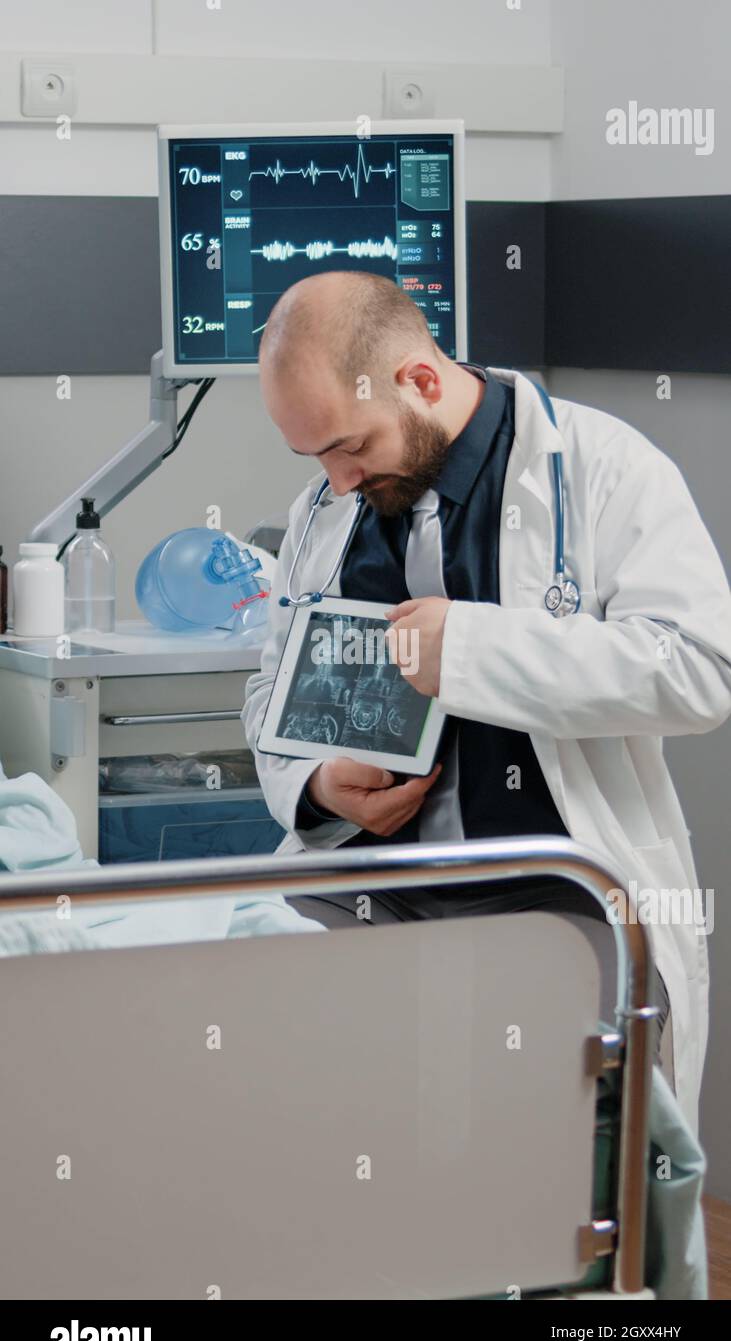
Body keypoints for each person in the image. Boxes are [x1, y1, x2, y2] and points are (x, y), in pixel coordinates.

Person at [243, 270, 731, 1134]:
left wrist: (468, 648)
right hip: (371, 891)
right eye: (315, 457)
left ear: (421, 382)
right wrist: (318, 785)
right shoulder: (329, 502)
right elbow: (269, 683)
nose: (339, 480)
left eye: (350, 446)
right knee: (323, 1143)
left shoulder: (601, 467)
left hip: (556, 897)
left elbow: (697, 671)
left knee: (562, 1179)